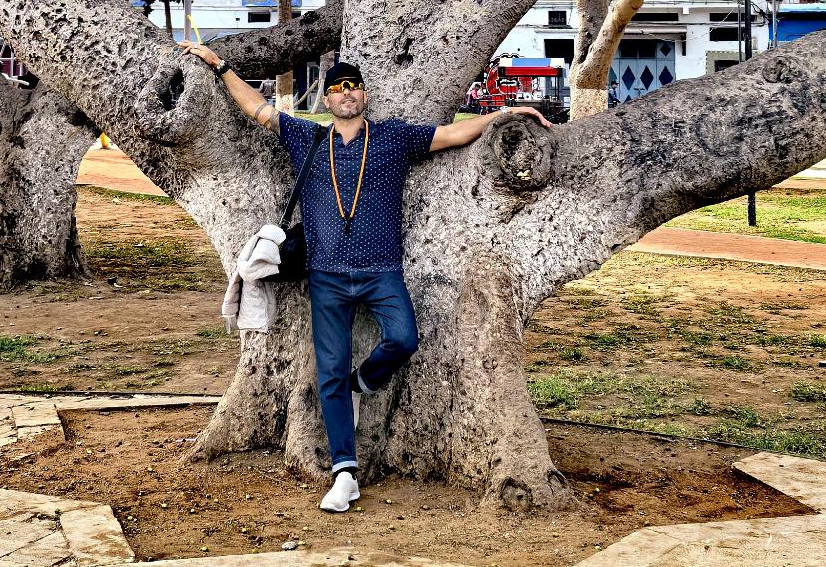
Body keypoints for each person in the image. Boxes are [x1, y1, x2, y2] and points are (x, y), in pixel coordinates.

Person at [179, 42, 549, 514]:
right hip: (326, 277)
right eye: (337, 88)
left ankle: (364, 383)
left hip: (381, 272)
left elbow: (455, 134)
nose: (346, 93)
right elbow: (258, 109)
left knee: (403, 339)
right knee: (328, 373)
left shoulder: (393, 138)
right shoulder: (308, 138)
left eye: (353, 86)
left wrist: (505, 112)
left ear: (364, 96)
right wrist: (219, 65)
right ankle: (344, 473)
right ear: (327, 99)